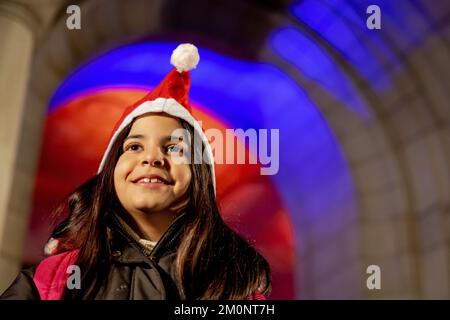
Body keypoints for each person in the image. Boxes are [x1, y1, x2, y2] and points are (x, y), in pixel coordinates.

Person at [1, 43, 271, 300]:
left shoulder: (236, 286)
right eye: (133, 146)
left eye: (176, 149)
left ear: (199, 179)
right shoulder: (49, 281)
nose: (152, 157)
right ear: (110, 173)